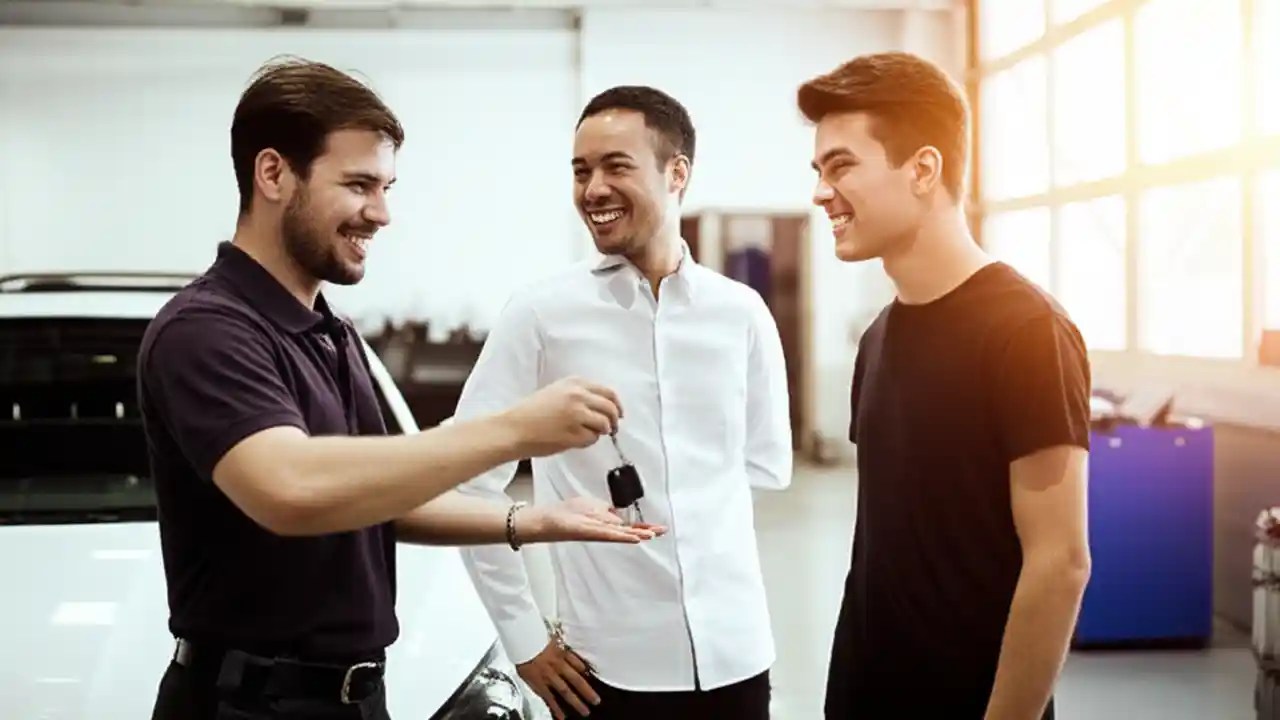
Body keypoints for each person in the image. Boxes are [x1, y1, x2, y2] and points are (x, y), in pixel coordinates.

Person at [139, 57, 663, 720]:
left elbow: (379, 497)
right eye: (359, 185)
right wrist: (515, 431)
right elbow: (290, 488)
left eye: (386, 187)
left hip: (353, 699)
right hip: (247, 704)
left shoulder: (330, 331)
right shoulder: (207, 330)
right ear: (273, 174)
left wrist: (531, 522)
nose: (382, 213)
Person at [451, 85, 793, 720]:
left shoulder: (741, 313)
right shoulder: (540, 315)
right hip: (604, 675)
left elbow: (763, 465)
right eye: (581, 171)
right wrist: (524, 639)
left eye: (616, 166)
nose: (593, 189)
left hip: (739, 661)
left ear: (677, 172)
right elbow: (468, 481)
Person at [797, 52, 1092, 719]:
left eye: (841, 166)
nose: (820, 192)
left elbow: (1060, 562)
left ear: (923, 170)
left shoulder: (1028, 331)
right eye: (818, 171)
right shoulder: (878, 338)